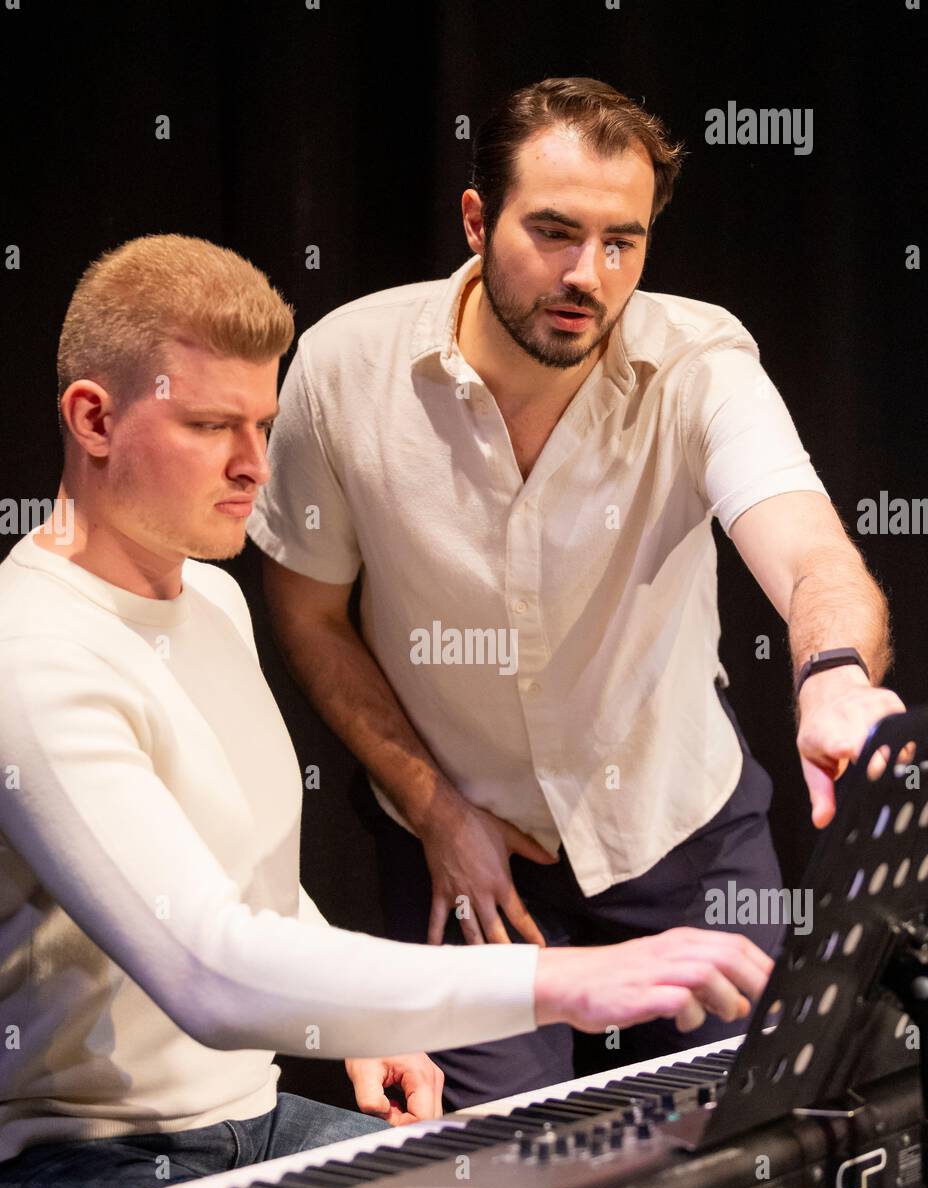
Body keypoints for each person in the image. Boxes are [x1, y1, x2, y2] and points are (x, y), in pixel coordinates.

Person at [0, 233, 772, 1188]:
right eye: (208, 425)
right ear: (93, 418)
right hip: (83, 1168)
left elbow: (231, 873)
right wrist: (560, 979)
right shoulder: (32, 650)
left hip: (247, 1119)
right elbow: (204, 968)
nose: (252, 465)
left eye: (263, 424)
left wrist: (353, 1022)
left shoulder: (207, 598)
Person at [246, 77, 904, 1111]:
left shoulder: (700, 364)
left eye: (620, 242)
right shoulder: (345, 371)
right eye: (553, 232)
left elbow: (812, 554)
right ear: (475, 219)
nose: (585, 276)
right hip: (463, 845)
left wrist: (830, 676)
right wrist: (431, 805)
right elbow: (308, 612)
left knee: (771, 1165)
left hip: (681, 827)